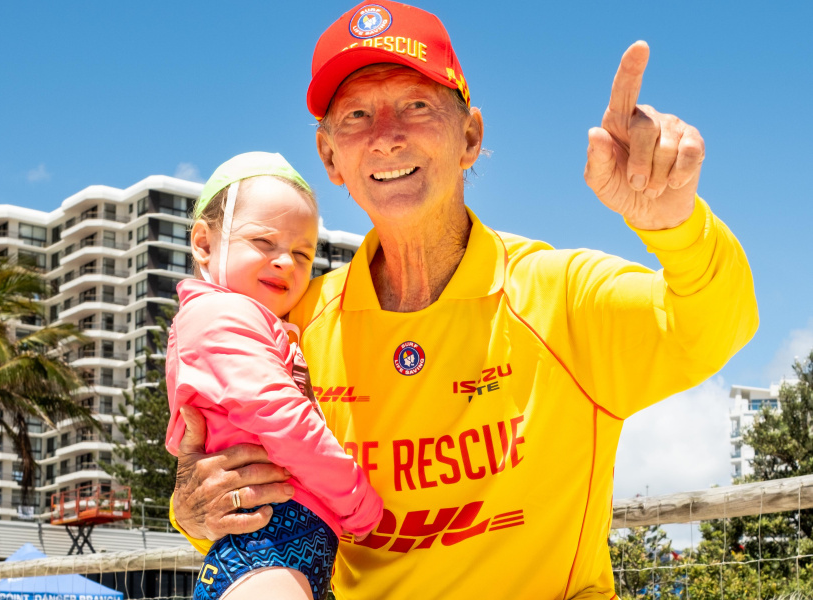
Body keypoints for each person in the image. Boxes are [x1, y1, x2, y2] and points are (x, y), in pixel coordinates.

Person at [169, 2, 758, 598]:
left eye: (417, 104)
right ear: (330, 159)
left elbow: (718, 324)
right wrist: (195, 510)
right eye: (356, 115)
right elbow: (247, 488)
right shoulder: (297, 324)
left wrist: (675, 223)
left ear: (470, 136)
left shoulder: (559, 296)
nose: (386, 136)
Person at [164, 152, 383, 600]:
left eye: (302, 253)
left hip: (279, 539)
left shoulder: (243, 317)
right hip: (270, 534)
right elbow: (280, 415)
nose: (285, 261)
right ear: (203, 244)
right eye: (264, 242)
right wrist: (359, 502)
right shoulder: (218, 315)